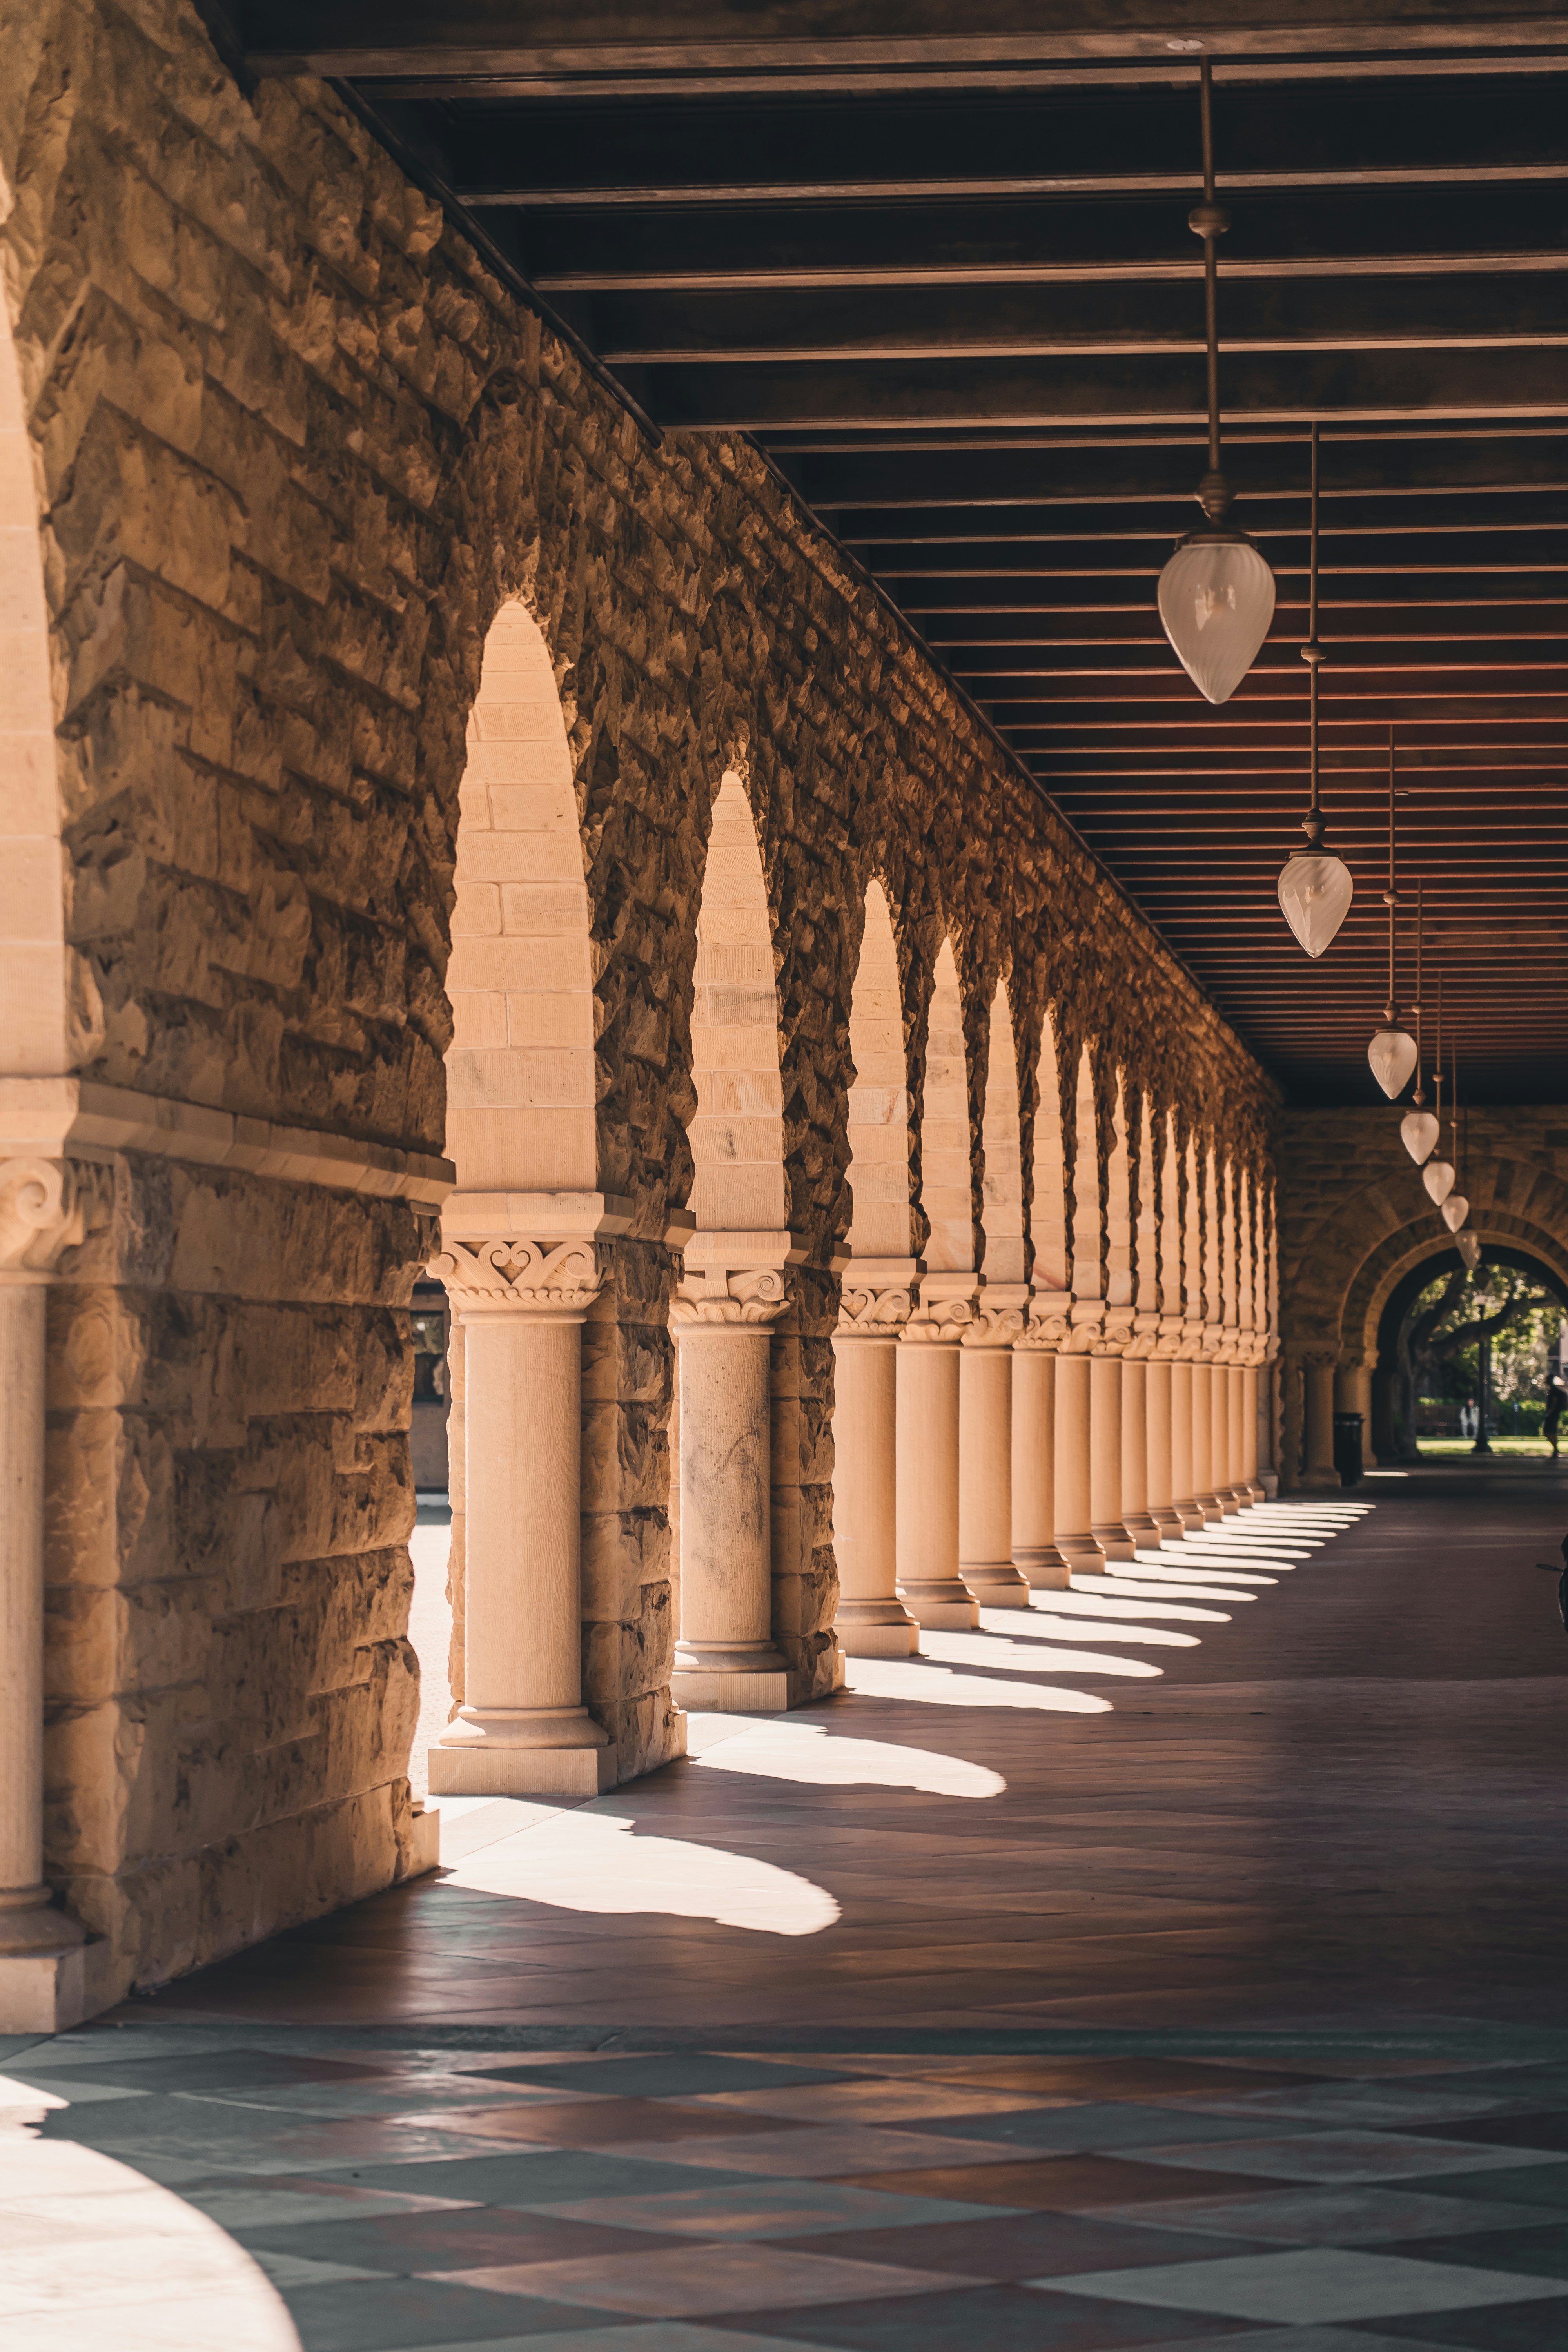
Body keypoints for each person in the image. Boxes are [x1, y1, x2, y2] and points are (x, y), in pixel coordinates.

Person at [1544, 1373, 1567, 1459]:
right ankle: (1555, 1450)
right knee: (1552, 1432)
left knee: (1548, 1432)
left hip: (1552, 1415)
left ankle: (1556, 1450)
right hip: (1555, 1414)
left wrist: (1549, 1412)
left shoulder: (1554, 1391)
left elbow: (1554, 1403)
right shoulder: (1554, 1390)